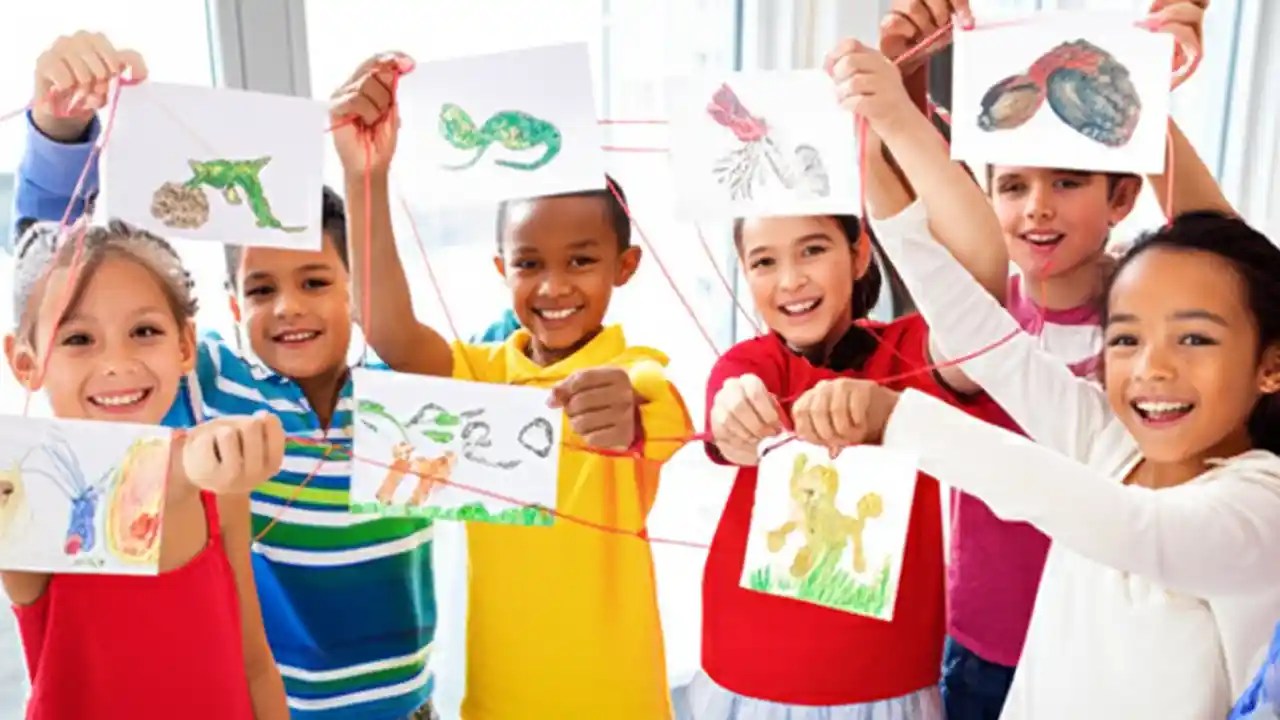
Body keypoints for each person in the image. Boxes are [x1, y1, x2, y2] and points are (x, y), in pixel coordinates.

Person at [837, 40, 1280, 718]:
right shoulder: (1110, 441)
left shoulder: (1260, 501)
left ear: (1271, 365)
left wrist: (895, 419)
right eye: (1127, 338)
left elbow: (1132, 528)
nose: (1153, 366)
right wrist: (873, 149)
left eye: (1193, 338)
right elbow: (984, 337)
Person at [14, 34, 438, 720]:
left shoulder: (405, 394)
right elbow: (69, 289)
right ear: (232, 309)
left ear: (355, 289)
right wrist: (64, 133)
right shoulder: (211, 384)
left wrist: (367, 178)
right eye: (262, 288)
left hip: (409, 707)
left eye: (316, 280)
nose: (289, 306)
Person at [334, 54, 692, 719]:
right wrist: (365, 178)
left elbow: (653, 399)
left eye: (581, 261)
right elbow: (385, 327)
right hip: (500, 698)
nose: (554, 286)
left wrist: (630, 407)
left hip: (619, 701)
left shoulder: (638, 368)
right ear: (502, 269)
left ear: (626, 266)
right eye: (529, 264)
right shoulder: (482, 374)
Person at [4, 219, 289, 719]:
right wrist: (192, 464)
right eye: (77, 339)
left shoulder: (218, 487)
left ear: (184, 347)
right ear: (26, 364)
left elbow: (255, 666)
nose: (117, 361)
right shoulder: (26, 496)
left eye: (144, 331)